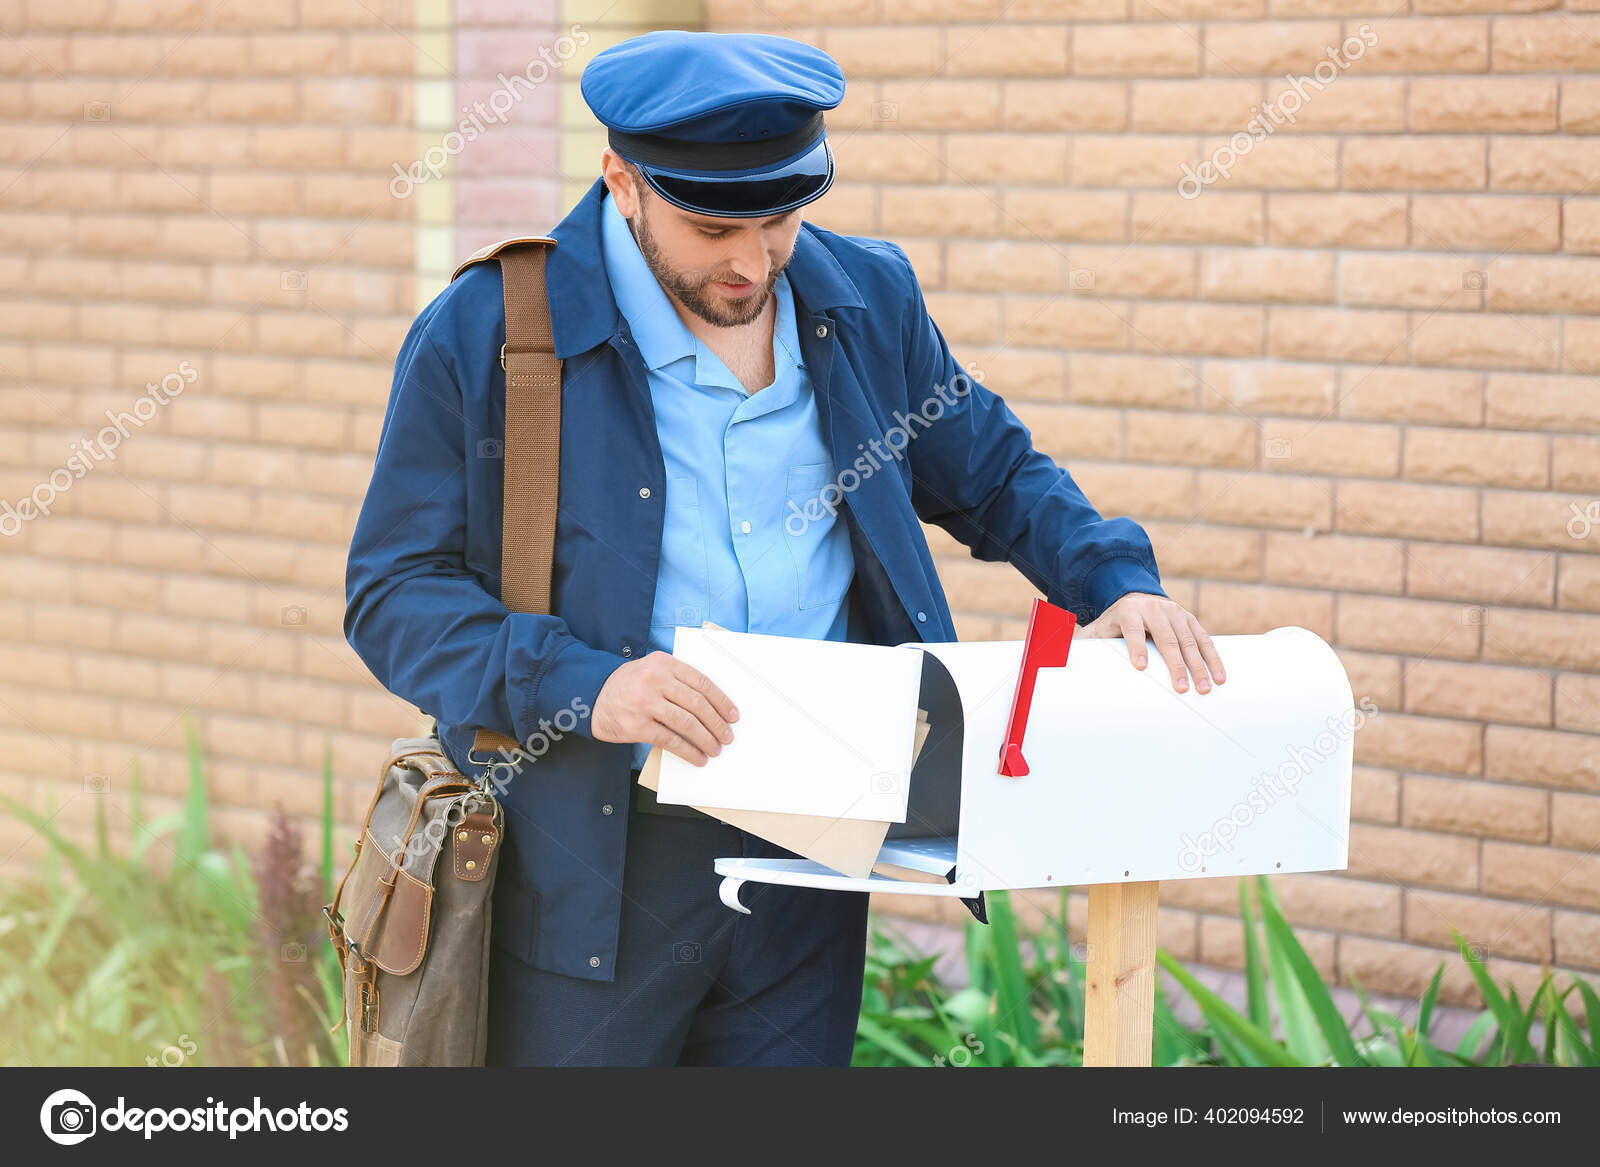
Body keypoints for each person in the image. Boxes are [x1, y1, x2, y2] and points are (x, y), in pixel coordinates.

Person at [344, 29, 1224, 1066]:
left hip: (819, 854)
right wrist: (589, 684)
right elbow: (392, 594)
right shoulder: (489, 333)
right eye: (714, 226)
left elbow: (994, 473)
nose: (752, 261)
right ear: (621, 181)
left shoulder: (866, 298)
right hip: (589, 864)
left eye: (780, 219)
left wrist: (1110, 580)